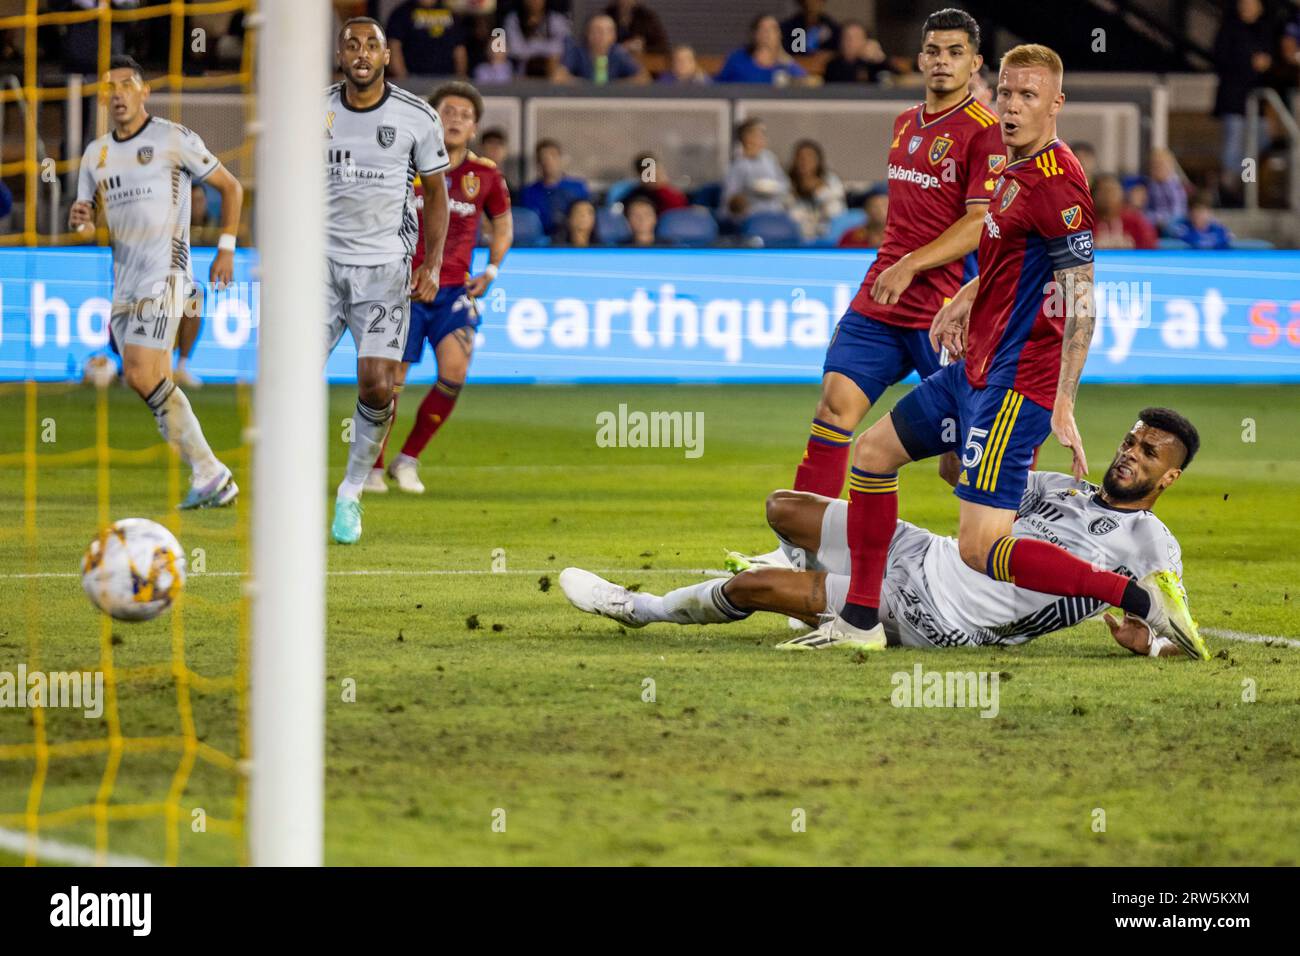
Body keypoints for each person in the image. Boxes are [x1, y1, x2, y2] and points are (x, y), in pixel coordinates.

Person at [820, 43, 1206, 661]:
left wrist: (1063, 401)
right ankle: (860, 618)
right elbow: (1006, 257)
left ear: (1056, 104)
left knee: (980, 546)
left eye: (1028, 96)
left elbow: (1081, 300)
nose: (1012, 106)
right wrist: (967, 295)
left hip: (1015, 386)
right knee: (871, 454)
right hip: (973, 369)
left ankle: (1136, 599)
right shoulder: (1004, 163)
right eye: (1005, 92)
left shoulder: (1061, 184)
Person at [564, 411, 1204, 660]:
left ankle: (637, 610)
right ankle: (810, 587)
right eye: (1129, 440)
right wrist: (971, 433)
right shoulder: (1059, 487)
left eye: (1148, 453)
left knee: (755, 585)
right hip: (926, 551)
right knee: (785, 508)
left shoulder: (1152, 543)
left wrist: (1145, 644)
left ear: (1168, 476)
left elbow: (1181, 631)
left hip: (941, 613)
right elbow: (964, 480)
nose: (1130, 454)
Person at [731, 7, 1002, 554]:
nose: (942, 62)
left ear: (975, 63)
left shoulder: (986, 132)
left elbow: (979, 222)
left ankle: (1026, 546)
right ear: (920, 58)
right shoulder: (904, 122)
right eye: (933, 51)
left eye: (955, 53)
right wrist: (895, 265)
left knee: (962, 461)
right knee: (833, 410)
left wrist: (911, 264)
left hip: (943, 310)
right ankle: (802, 558)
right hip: (882, 297)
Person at [69, 55, 243, 510]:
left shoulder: (173, 138)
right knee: (146, 380)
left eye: (127, 84)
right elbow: (86, 219)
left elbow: (231, 186)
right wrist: (82, 218)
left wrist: (225, 247)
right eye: (109, 87)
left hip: (166, 274)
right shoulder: (96, 154)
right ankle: (206, 475)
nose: (118, 94)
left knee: (141, 371)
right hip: (123, 284)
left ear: (144, 92)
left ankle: (212, 472)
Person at [322, 18, 451, 543]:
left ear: (385, 55)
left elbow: (437, 194)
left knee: (377, 383)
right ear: (340, 53)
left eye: (371, 44)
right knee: (289, 383)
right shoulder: (314, 110)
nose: (361, 52)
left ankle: (351, 492)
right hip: (318, 266)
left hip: (384, 270)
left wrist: (432, 263)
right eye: (351, 44)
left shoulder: (416, 116)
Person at [370, 81, 512, 495]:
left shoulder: (485, 174)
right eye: (448, 111)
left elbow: (502, 225)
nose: (456, 119)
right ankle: (372, 465)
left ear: (474, 129)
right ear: (431, 118)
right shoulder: (401, 165)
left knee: (455, 371)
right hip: (404, 290)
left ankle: (407, 459)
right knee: (389, 381)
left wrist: (493, 270)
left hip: (453, 292)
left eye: (465, 116)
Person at [1213, 0, 1272, 204]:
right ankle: (1229, 192)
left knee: (1257, 144)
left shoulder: (1265, 30)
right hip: (1233, 101)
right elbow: (1220, 59)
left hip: (1257, 104)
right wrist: (1249, 61)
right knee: (1233, 147)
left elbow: (1273, 61)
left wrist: (1266, 63)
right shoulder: (1229, 29)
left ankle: (1246, 188)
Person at [721, 116, 790, 220]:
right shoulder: (737, 165)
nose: (762, 138)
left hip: (774, 213)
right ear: (745, 138)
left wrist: (776, 189)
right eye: (756, 134)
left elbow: (785, 184)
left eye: (763, 134)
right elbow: (730, 200)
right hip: (750, 217)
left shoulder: (769, 159)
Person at [519, 138, 590, 236]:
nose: (548, 162)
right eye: (543, 158)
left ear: (560, 159)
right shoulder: (528, 193)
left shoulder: (578, 188)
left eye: (552, 156)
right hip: (540, 244)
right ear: (537, 163)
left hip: (572, 242)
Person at [716, 14, 808, 85]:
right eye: (763, 29)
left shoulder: (786, 65)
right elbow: (717, 85)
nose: (767, 33)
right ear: (754, 34)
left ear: (780, 35)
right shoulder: (737, 60)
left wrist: (784, 57)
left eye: (773, 29)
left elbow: (806, 82)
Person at [385, 0, 467, 78]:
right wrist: (404, 81)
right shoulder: (402, 13)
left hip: (446, 80)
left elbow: (459, 49)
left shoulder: (451, 13)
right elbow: (394, 47)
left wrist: (460, 78)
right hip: (414, 80)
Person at [557, 12, 644, 83]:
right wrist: (588, 85)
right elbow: (559, 76)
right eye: (597, 30)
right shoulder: (577, 51)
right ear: (588, 33)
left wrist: (613, 85)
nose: (602, 36)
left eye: (607, 31)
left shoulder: (618, 53)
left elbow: (642, 78)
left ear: (614, 36)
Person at [787, 138, 845, 241]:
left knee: (835, 205)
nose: (805, 162)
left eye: (810, 157)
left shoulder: (829, 179)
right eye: (801, 158)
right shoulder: (787, 182)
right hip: (799, 234)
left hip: (826, 231)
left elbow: (837, 210)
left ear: (818, 160)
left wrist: (819, 190)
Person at [1092, 173, 1157, 250]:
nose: (1108, 196)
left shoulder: (1135, 220)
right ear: (1093, 195)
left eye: (1113, 191)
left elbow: (1151, 245)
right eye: (1104, 191)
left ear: (1122, 194)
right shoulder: (1085, 222)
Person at [502, 0, 570, 71]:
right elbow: (516, 50)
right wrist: (545, 49)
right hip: (522, 71)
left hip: (553, 69)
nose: (534, 1)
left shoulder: (556, 20)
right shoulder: (512, 19)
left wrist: (530, 45)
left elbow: (558, 49)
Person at [822, 20, 890, 84]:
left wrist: (880, 59)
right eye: (846, 37)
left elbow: (892, 80)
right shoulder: (832, 66)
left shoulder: (874, 65)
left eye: (856, 37)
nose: (850, 42)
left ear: (865, 40)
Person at [1168, 191, 1234, 249]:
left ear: (1209, 212)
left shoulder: (1219, 229)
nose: (1199, 215)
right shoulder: (1182, 228)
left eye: (1202, 211)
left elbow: (1225, 240)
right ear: (1189, 213)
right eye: (1196, 211)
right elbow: (1192, 240)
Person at [604, 0, 669, 56]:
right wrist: (622, 48)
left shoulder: (647, 18)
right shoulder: (607, 16)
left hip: (642, 63)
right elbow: (598, 47)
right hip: (612, 64)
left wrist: (644, 48)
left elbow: (662, 47)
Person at [1146, 147, 1188, 231]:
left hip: (1172, 225)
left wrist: (1160, 219)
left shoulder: (1175, 187)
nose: (1157, 169)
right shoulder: (1150, 185)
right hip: (1154, 224)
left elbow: (1177, 212)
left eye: (1161, 166)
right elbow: (1147, 208)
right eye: (1154, 166)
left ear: (1170, 167)